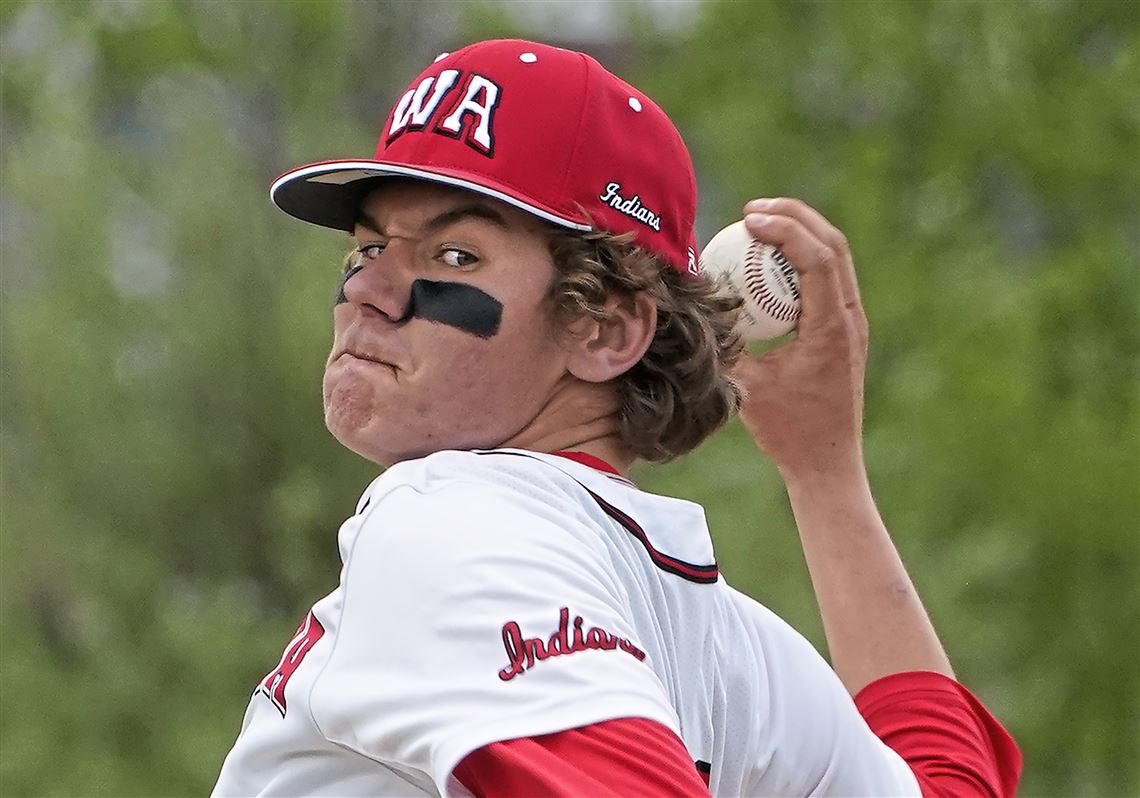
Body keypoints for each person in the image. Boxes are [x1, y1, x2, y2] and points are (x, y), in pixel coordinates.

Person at [212, 39, 1021, 797]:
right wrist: (825, 474)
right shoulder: (731, 648)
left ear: (603, 329)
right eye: (367, 248)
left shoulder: (458, 520)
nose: (365, 289)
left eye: (453, 255)